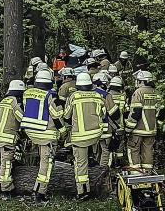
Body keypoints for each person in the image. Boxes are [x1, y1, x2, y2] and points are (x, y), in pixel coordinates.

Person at [20, 68, 65, 202]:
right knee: (47, 163)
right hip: (46, 134)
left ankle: (38, 190)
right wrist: (63, 131)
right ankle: (39, 192)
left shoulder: (27, 93)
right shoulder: (49, 95)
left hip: (30, 131)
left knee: (41, 159)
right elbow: (56, 116)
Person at [64, 72, 106, 200]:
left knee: (80, 164)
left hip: (80, 137)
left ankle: (83, 192)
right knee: (93, 157)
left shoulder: (74, 96)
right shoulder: (97, 95)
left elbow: (66, 116)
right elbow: (103, 114)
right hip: (96, 135)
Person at [0, 79, 26, 194]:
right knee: (6, 162)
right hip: (6, 137)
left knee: (5, 159)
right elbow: (22, 119)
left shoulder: (4, 100)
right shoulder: (15, 103)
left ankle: (6, 180)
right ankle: (6, 189)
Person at [126, 70, 162, 170]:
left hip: (138, 130)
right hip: (151, 130)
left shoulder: (138, 92)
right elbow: (161, 113)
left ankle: (135, 172)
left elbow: (135, 113)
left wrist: (128, 128)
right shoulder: (156, 93)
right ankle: (147, 171)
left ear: (142, 81)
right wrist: (157, 125)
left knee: (134, 149)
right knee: (148, 150)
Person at [104, 75, 127, 168]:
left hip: (108, 125)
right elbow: (126, 111)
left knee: (107, 146)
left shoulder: (106, 96)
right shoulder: (123, 97)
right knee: (120, 144)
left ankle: (108, 164)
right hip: (120, 125)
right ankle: (118, 162)